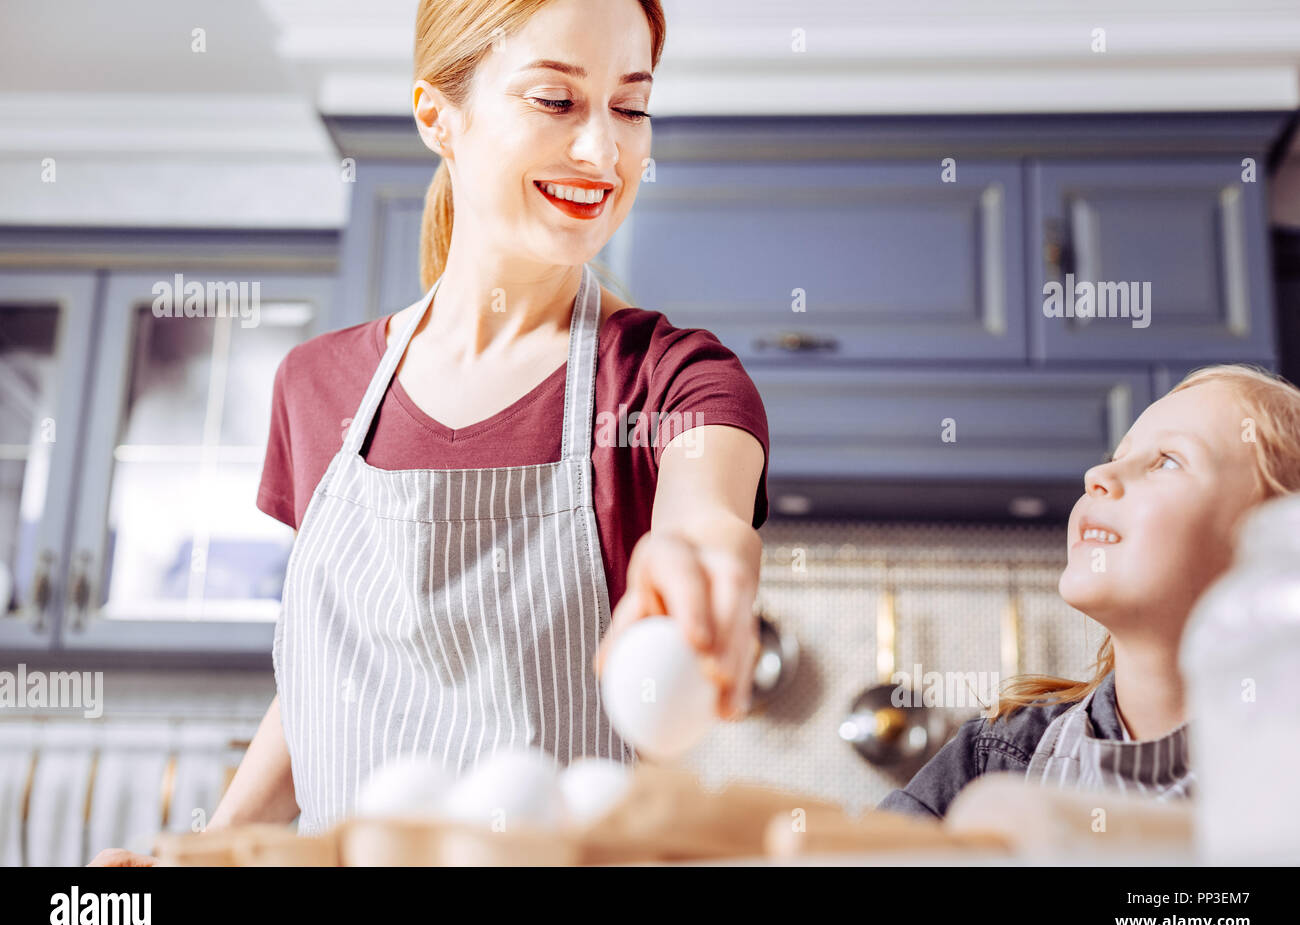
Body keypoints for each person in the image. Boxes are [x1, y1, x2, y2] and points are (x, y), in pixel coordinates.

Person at [90, 0, 768, 862]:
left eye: (631, 107)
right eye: (556, 101)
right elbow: (332, 683)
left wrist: (703, 558)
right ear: (438, 116)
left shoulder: (673, 378)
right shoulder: (315, 385)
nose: (606, 151)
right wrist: (215, 847)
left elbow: (705, 515)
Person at [878, 364, 1300, 819]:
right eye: (1116, 457)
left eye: (1168, 461)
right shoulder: (999, 752)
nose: (1097, 473)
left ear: (1275, 544)